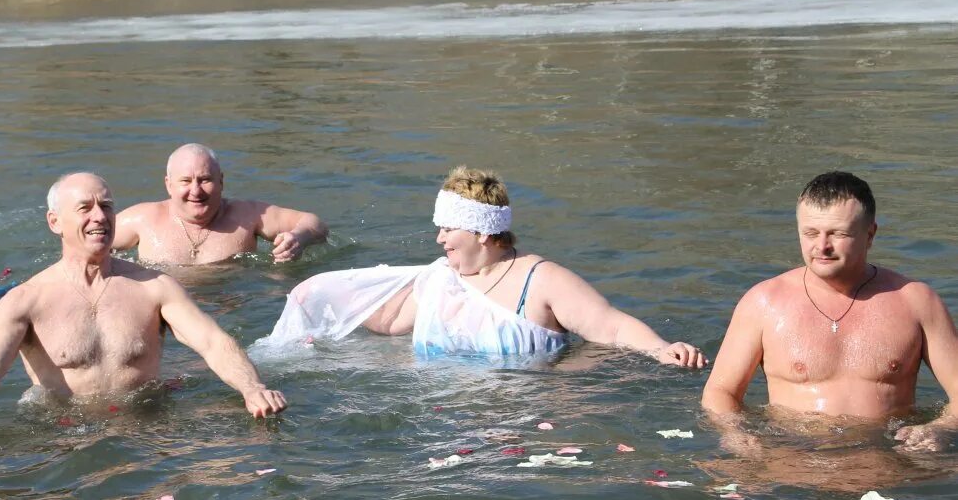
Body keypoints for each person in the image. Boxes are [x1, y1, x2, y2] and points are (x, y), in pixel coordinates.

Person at [0, 172, 287, 451]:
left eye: (107, 206)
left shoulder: (154, 287)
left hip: (147, 431)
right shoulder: (26, 300)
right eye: (85, 208)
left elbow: (212, 341)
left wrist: (252, 388)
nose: (100, 216)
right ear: (54, 223)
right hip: (62, 437)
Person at [261, 166, 706, 365]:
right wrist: (316, 298)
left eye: (447, 229)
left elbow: (609, 327)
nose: (438, 239)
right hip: (442, 417)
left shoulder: (542, 278)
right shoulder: (438, 280)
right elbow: (392, 320)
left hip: (526, 415)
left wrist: (660, 349)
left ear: (481, 232)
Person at [702, 171, 958, 452]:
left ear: (870, 234)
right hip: (791, 464)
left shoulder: (916, 301)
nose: (821, 246)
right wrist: (735, 433)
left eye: (838, 234)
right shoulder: (763, 302)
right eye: (810, 233)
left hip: (886, 463)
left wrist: (940, 428)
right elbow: (720, 392)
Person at [112, 143, 328, 265]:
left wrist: (299, 238)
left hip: (234, 306)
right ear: (169, 185)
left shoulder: (248, 215)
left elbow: (314, 223)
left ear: (221, 181)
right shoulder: (142, 220)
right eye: (185, 181)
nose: (195, 191)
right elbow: (82, 242)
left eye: (205, 180)